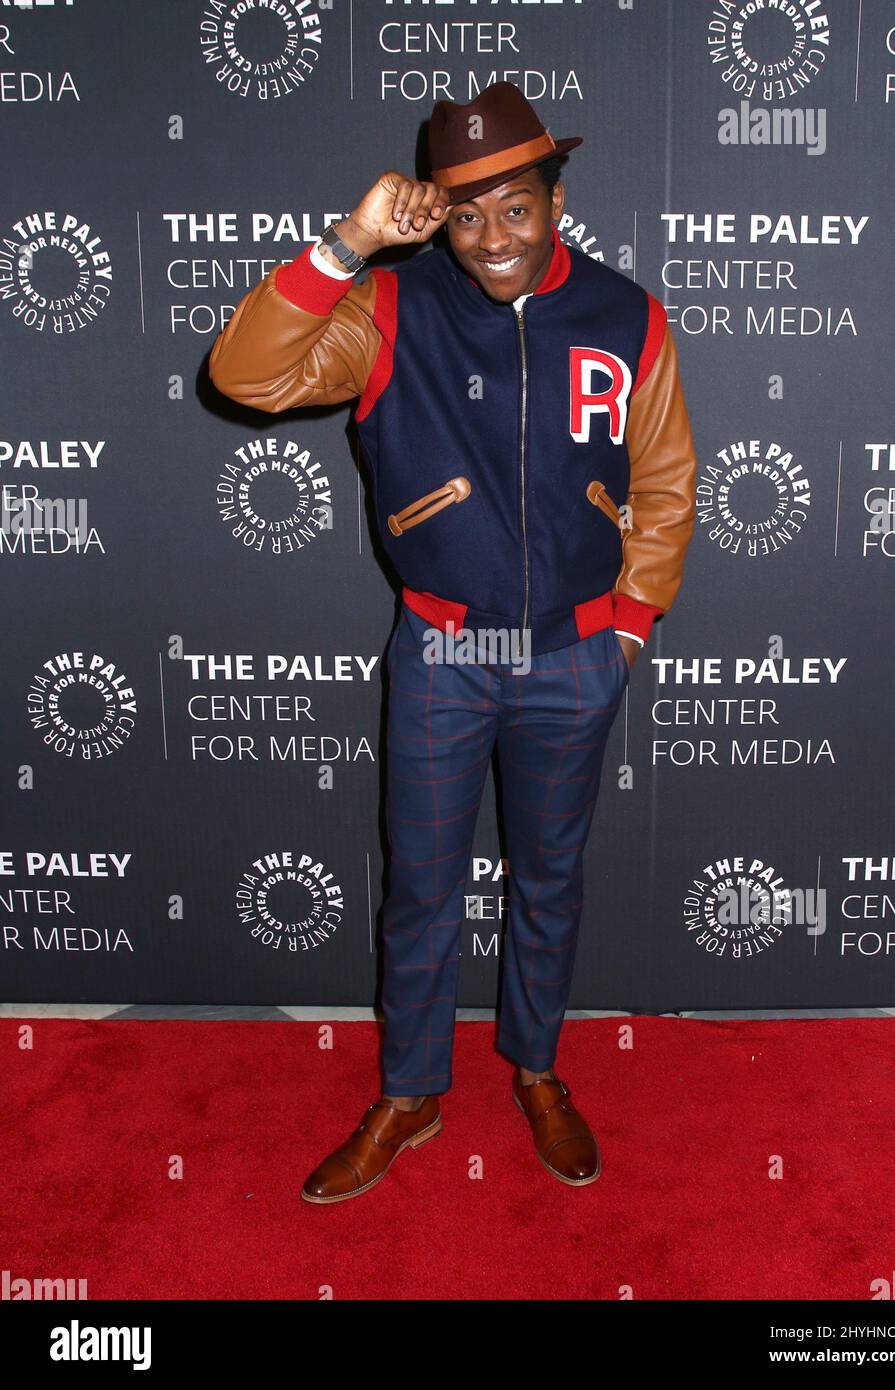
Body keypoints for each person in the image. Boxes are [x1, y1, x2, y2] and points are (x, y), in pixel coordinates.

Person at [209, 81, 697, 1202]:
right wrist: (348, 244)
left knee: (551, 880)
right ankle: (410, 1093)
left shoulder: (628, 315)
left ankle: (536, 1070)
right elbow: (246, 375)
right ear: (436, 215)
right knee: (423, 888)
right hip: (441, 653)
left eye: (516, 208)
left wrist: (626, 626)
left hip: (578, 656)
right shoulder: (389, 307)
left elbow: (666, 482)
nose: (493, 239)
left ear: (556, 200)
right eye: (467, 213)